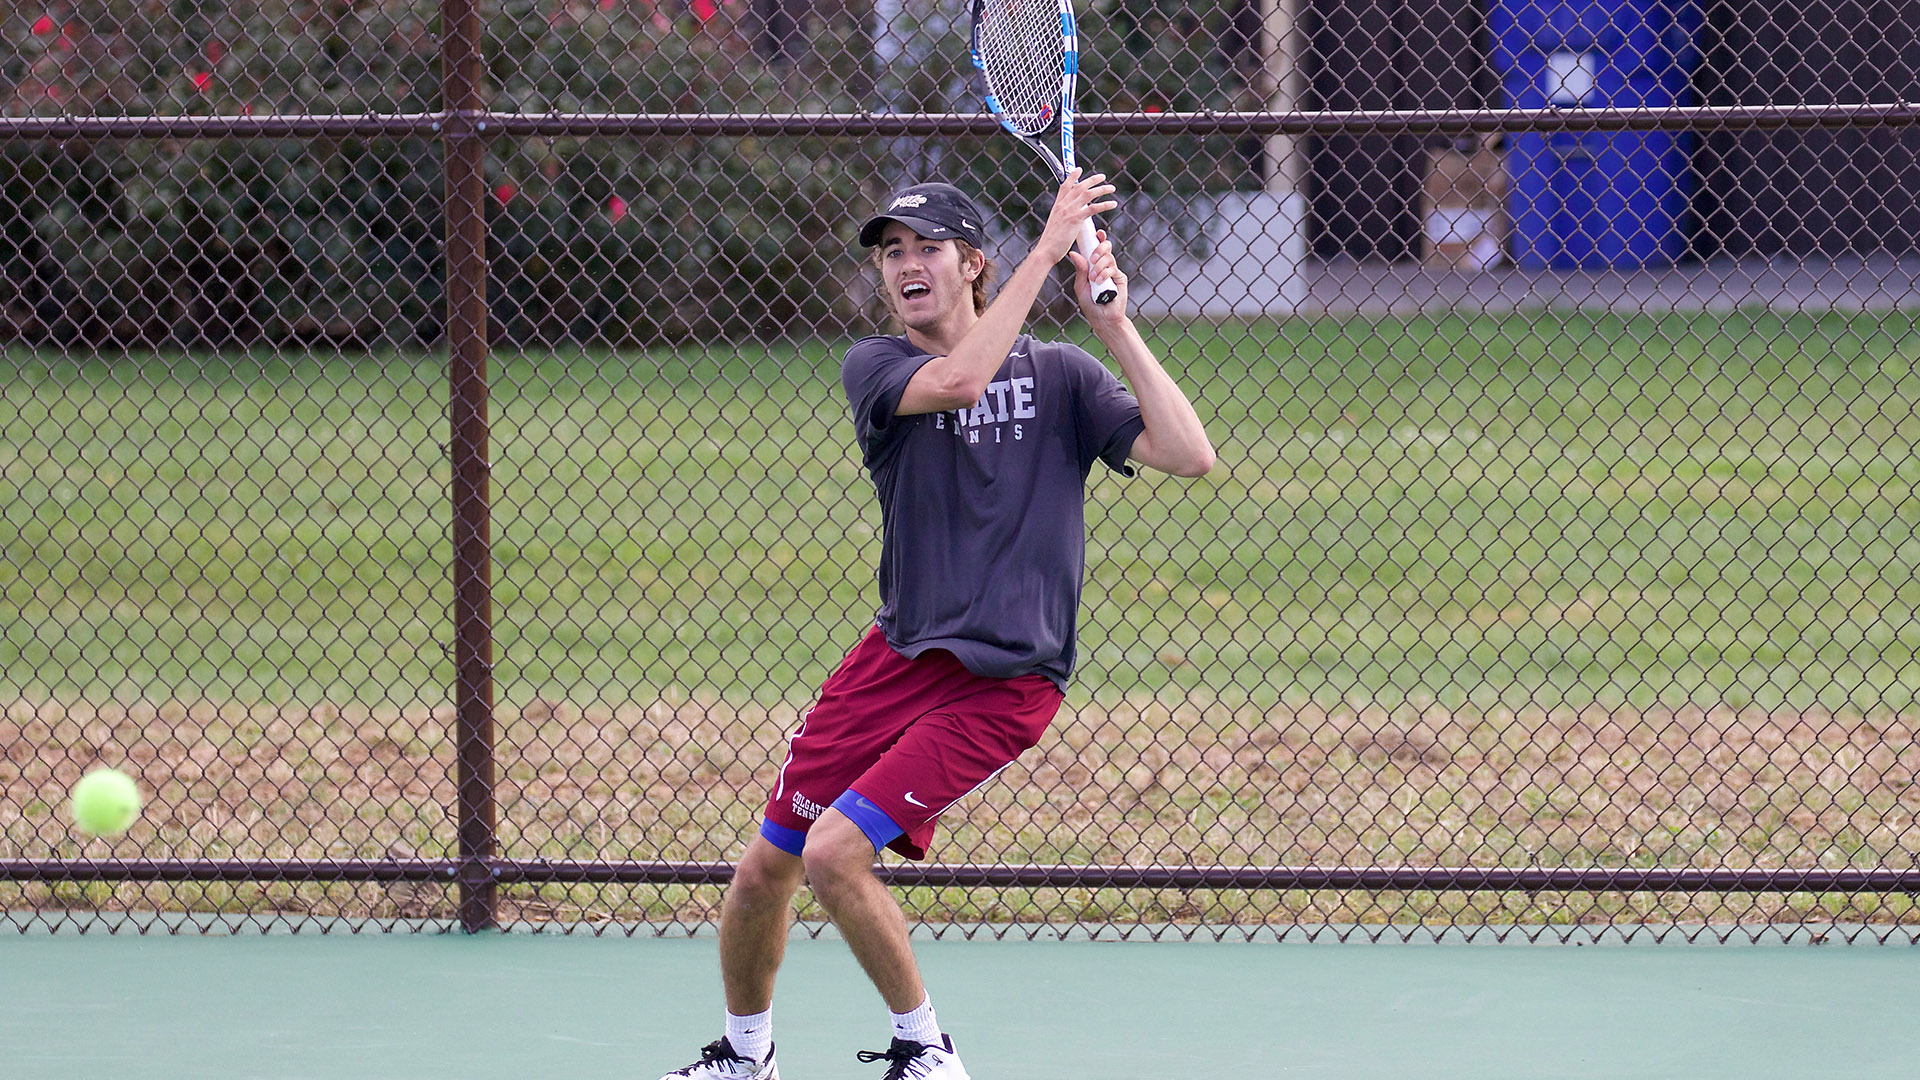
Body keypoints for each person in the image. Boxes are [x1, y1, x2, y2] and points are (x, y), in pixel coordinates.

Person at [658, 171, 1214, 1080]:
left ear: (970, 264)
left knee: (838, 855)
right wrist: (1049, 247)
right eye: (891, 253)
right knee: (767, 872)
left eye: (926, 248)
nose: (905, 266)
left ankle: (927, 1051)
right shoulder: (876, 367)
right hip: (896, 657)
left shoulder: (1064, 376)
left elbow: (1190, 454)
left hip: (1007, 681)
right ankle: (744, 1056)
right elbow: (960, 379)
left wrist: (1113, 324)